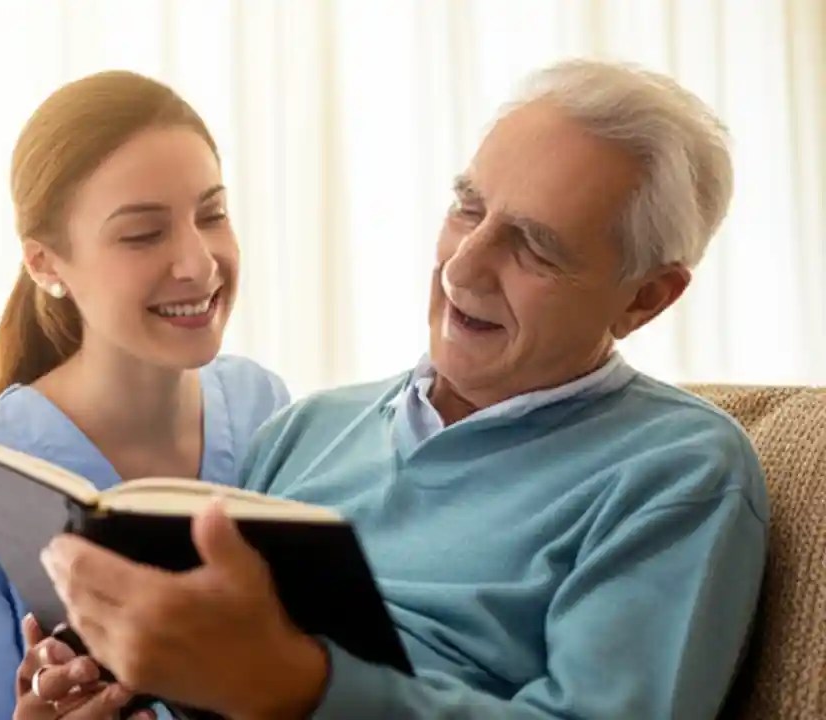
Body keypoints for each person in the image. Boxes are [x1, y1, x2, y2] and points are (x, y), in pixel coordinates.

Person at [39, 59, 769, 719]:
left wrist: (298, 686)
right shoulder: (305, 430)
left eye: (535, 246)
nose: (463, 267)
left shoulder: (677, 469)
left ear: (645, 298)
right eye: (468, 209)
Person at [0, 70, 290, 720]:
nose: (199, 263)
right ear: (45, 263)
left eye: (211, 215)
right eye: (143, 234)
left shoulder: (263, 407)